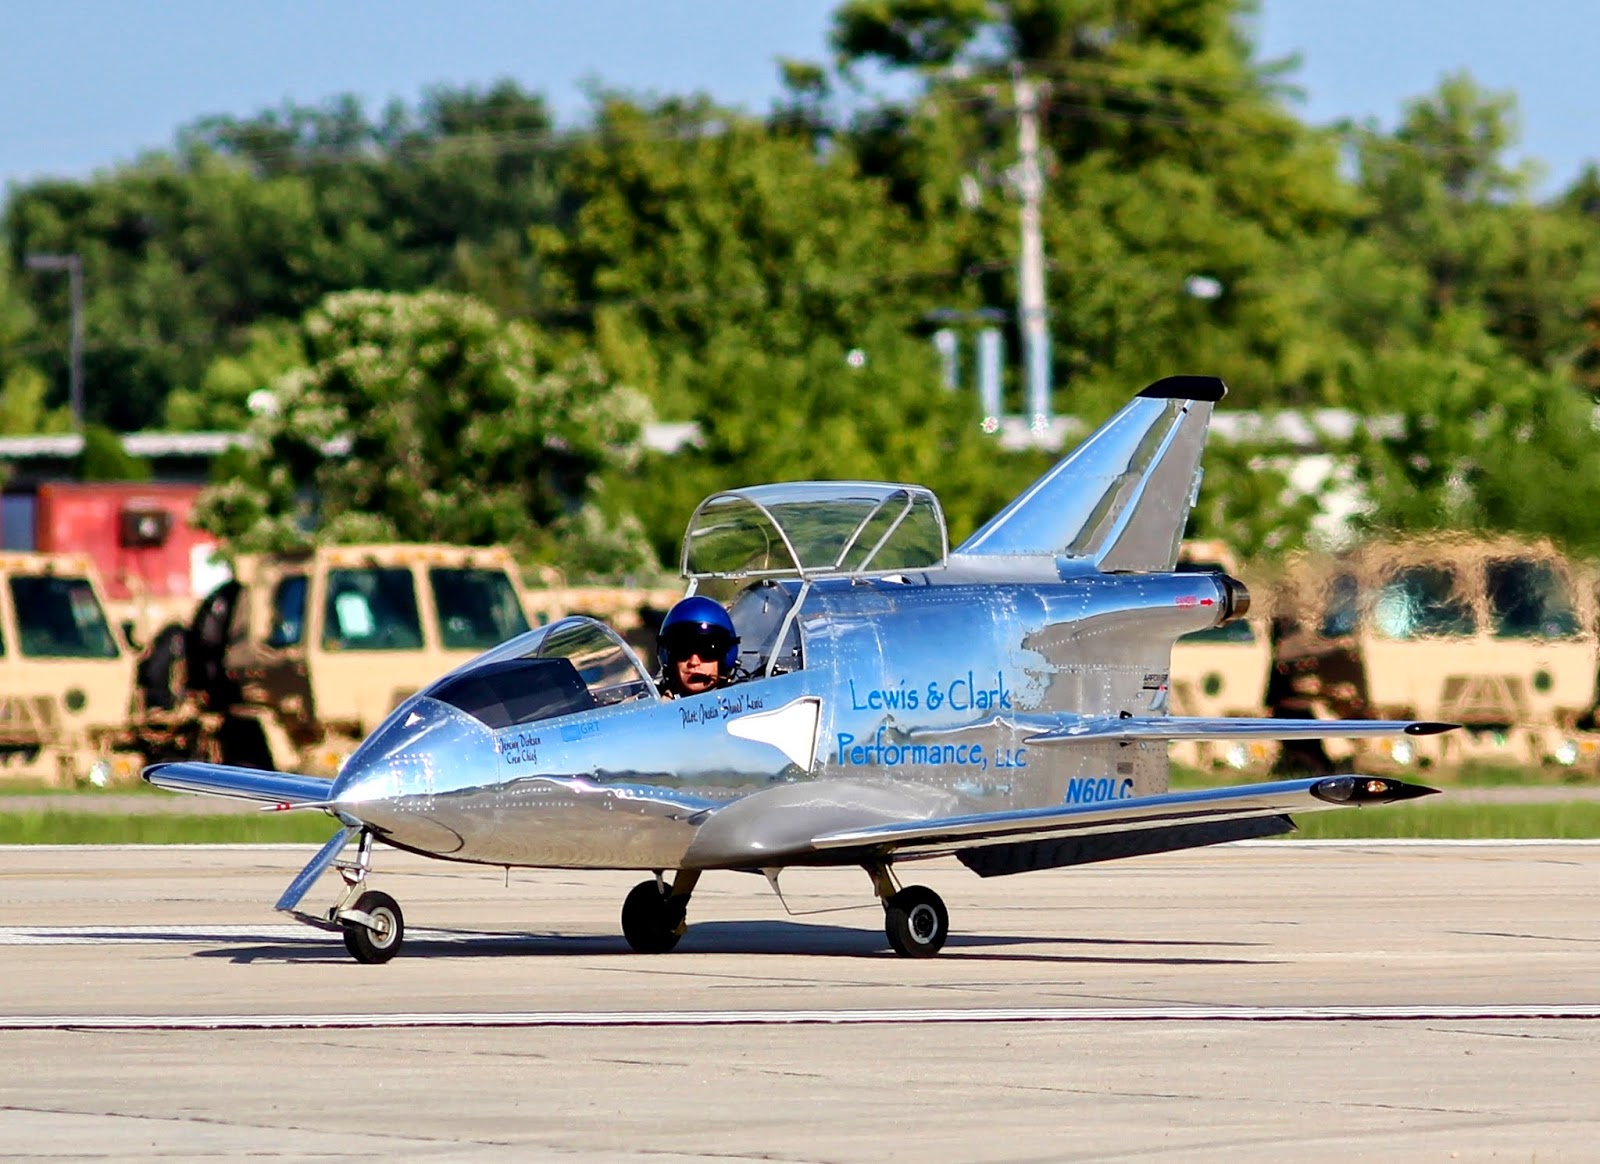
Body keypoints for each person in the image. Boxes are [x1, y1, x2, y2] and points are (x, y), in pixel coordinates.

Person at [656, 596, 740, 698]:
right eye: (682, 650)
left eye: (707, 650)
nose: (693, 662)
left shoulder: (743, 701)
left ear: (725, 657)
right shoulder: (654, 703)